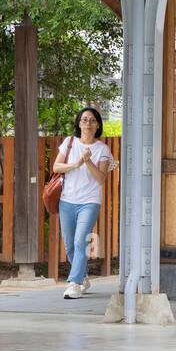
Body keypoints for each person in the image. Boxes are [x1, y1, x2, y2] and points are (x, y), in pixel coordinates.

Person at [51, 106, 116, 299]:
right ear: (79, 124)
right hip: (66, 200)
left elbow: (101, 178)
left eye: (92, 120)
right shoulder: (69, 143)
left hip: (89, 201)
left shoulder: (103, 149)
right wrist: (76, 163)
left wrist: (88, 162)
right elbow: (56, 166)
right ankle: (83, 276)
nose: (88, 123)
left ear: (98, 125)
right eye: (84, 120)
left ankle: (75, 283)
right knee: (70, 245)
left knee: (81, 241)